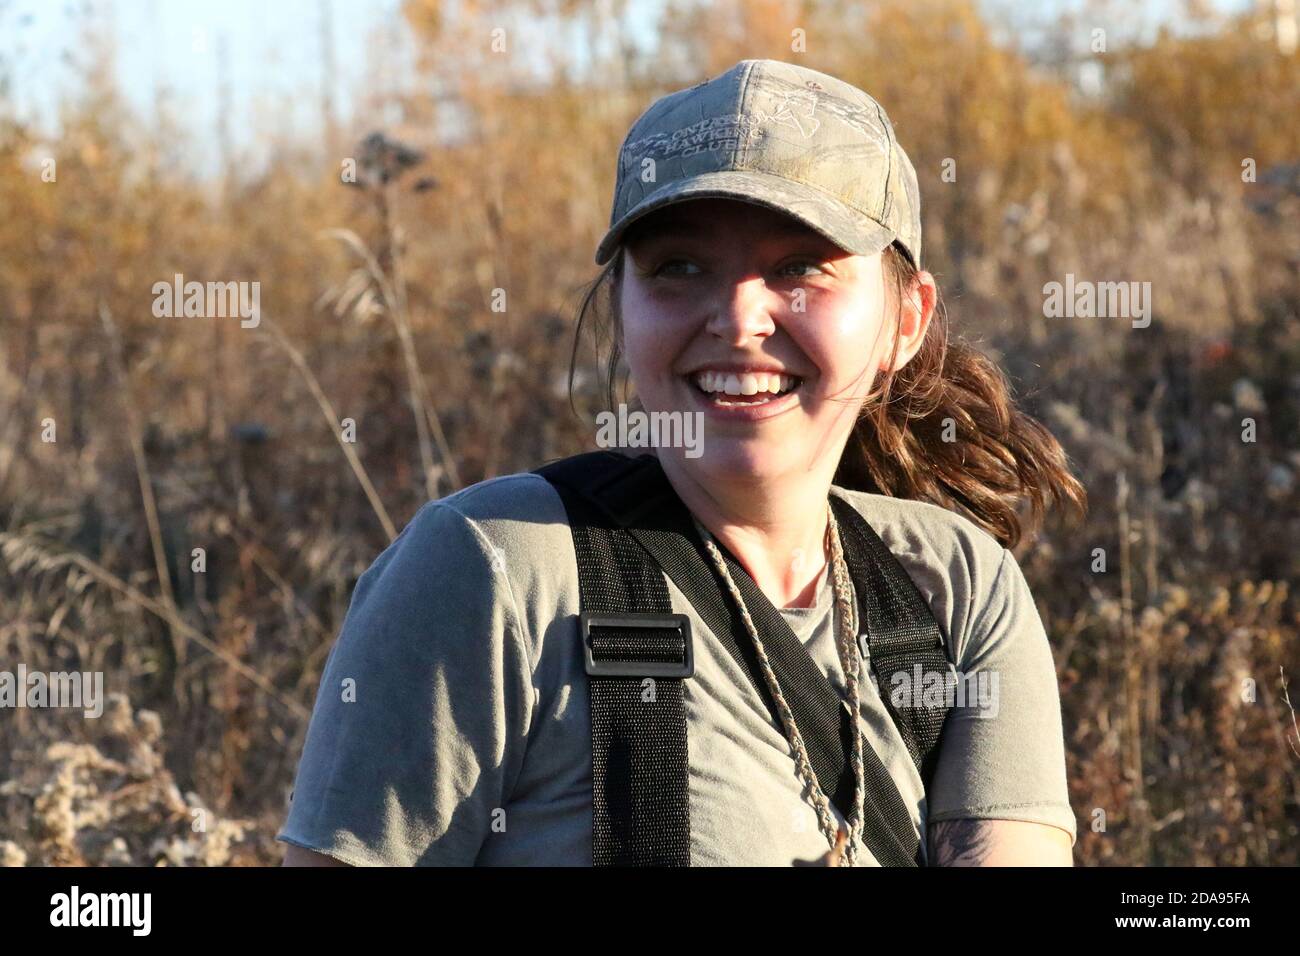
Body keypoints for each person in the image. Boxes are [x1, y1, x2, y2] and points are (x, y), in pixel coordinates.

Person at [278, 58, 1086, 867]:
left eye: (800, 267)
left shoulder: (957, 591)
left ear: (905, 321)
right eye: (679, 268)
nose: (738, 320)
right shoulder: (490, 566)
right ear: (623, 315)